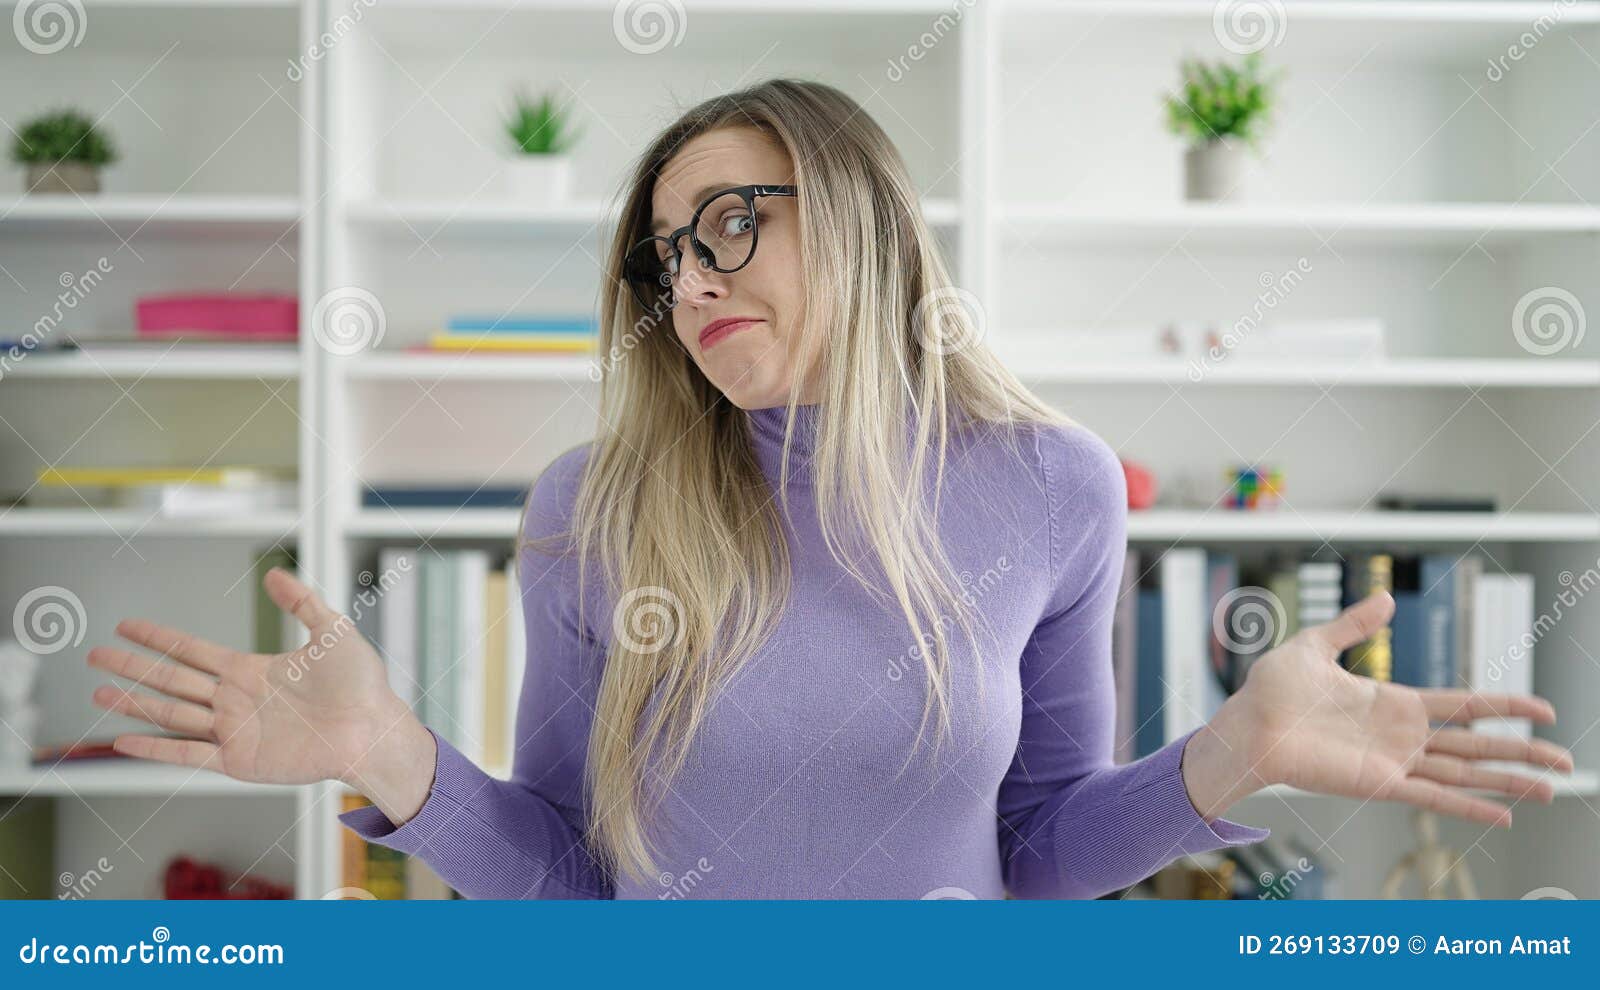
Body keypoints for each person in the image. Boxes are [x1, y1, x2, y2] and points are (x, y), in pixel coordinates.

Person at [86, 79, 1573, 899]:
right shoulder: (588, 507)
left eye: (731, 221)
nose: (694, 276)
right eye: (666, 255)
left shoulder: (1053, 485)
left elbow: (1040, 848)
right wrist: (399, 759)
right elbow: (571, 886)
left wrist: (1231, 761)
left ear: (861, 217)